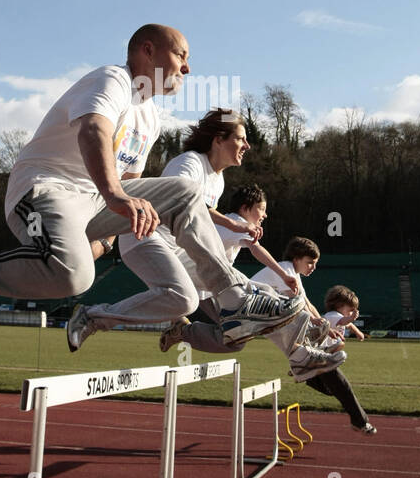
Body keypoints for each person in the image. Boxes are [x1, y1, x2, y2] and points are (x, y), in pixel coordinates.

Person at [0, 24, 303, 349]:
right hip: (45, 190)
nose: (187, 69)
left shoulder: (151, 118)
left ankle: (234, 302)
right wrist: (114, 195)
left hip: (96, 204)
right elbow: (94, 130)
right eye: (181, 56)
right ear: (147, 51)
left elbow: (130, 183)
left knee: (184, 192)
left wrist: (107, 237)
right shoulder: (113, 80)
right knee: (74, 278)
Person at [100, 112, 304, 355]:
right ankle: (95, 317)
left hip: (179, 249)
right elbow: (180, 199)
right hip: (147, 237)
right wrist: (232, 224)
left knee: (235, 309)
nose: (247, 146)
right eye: (241, 138)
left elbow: (203, 213)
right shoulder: (190, 162)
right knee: (184, 299)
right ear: (218, 140)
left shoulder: (218, 180)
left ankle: (295, 332)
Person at [252, 255, 376, 436]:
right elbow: (307, 307)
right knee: (339, 384)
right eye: (310, 262)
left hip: (314, 348)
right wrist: (349, 319)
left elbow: (308, 305)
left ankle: (303, 371)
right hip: (312, 349)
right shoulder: (286, 273)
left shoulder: (293, 277)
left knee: (333, 389)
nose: (313, 267)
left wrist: (348, 330)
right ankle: (359, 420)